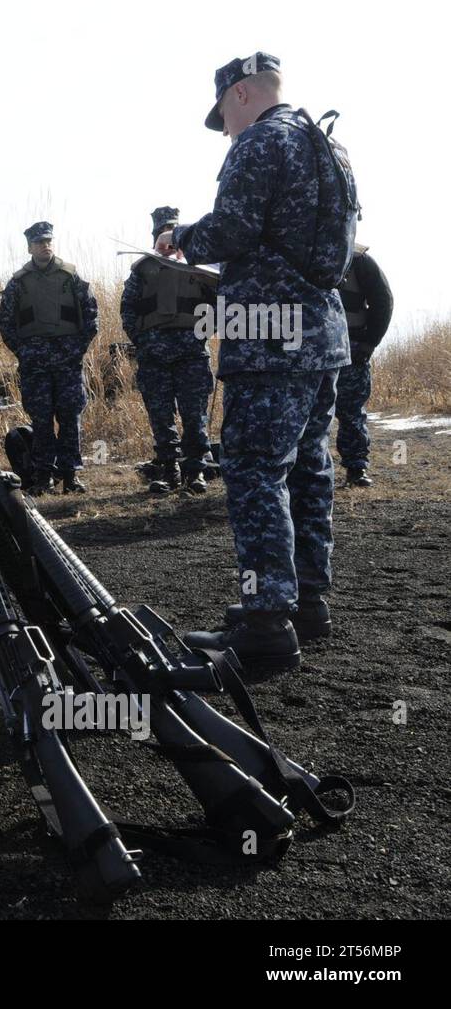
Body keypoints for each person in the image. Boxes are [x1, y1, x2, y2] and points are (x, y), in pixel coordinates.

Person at [157, 53, 354, 668]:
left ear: (240, 94)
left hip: (268, 335)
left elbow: (232, 232)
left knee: (253, 469)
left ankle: (267, 624)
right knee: (308, 467)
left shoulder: (260, 143)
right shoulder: (329, 146)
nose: (227, 128)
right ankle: (306, 602)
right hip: (321, 332)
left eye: (224, 115)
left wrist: (182, 238)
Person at [120, 206, 218, 493]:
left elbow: (217, 302)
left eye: (172, 232)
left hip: (191, 354)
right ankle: (168, 470)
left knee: (194, 415)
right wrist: (142, 340)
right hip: (154, 356)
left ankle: (196, 471)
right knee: (160, 416)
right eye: (161, 233)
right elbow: (127, 308)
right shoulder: (142, 269)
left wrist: (202, 334)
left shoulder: (199, 267)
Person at [0, 222, 99, 495]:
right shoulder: (18, 282)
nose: (45, 246)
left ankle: (71, 475)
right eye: (39, 242)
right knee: (41, 421)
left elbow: (91, 314)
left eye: (48, 241)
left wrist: (77, 348)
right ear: (29, 247)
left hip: (68, 361)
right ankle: (43, 476)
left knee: (70, 418)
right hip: (35, 365)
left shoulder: (70, 276)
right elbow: (5, 322)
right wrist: (24, 351)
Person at [334, 245, 394, 487]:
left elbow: (383, 300)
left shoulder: (359, 260)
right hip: (307, 349)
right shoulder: (299, 251)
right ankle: (300, 472)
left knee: (351, 411)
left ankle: (357, 466)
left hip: (352, 347)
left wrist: (370, 342)